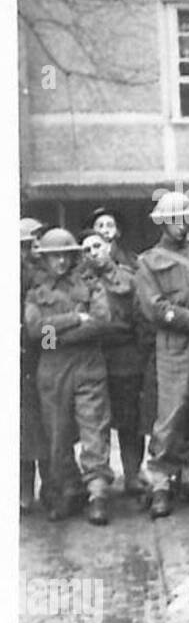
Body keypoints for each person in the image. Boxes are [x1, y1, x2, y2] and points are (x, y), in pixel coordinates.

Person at [135, 192, 189, 518]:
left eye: (188, 219)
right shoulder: (147, 262)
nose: (185, 225)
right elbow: (154, 309)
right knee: (170, 417)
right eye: (179, 220)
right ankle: (159, 483)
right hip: (174, 344)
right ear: (164, 222)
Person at [24, 228, 114, 524]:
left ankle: (97, 494)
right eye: (54, 257)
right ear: (44, 260)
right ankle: (68, 489)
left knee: (94, 431)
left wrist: (57, 333)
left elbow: (101, 322)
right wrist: (76, 318)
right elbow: (37, 332)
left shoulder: (89, 283)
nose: (61, 262)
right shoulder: (35, 291)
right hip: (52, 372)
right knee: (57, 436)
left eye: (66, 256)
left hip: (89, 366)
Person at [80, 229, 148, 497]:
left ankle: (132, 474)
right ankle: (98, 481)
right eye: (86, 250)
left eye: (97, 246)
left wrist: (141, 356)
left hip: (125, 357)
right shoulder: (78, 282)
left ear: (109, 246)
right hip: (90, 356)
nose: (93, 252)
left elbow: (141, 319)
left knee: (130, 420)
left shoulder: (128, 279)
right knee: (95, 422)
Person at [20, 217, 51, 513]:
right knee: (24, 431)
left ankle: (51, 488)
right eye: (30, 244)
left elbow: (43, 329)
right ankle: (24, 491)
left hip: (40, 356)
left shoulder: (44, 275)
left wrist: (49, 342)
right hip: (21, 360)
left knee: (48, 427)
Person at [89, 206, 138, 270]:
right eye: (100, 226)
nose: (104, 231)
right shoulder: (89, 260)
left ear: (118, 231)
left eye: (109, 226)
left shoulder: (132, 260)